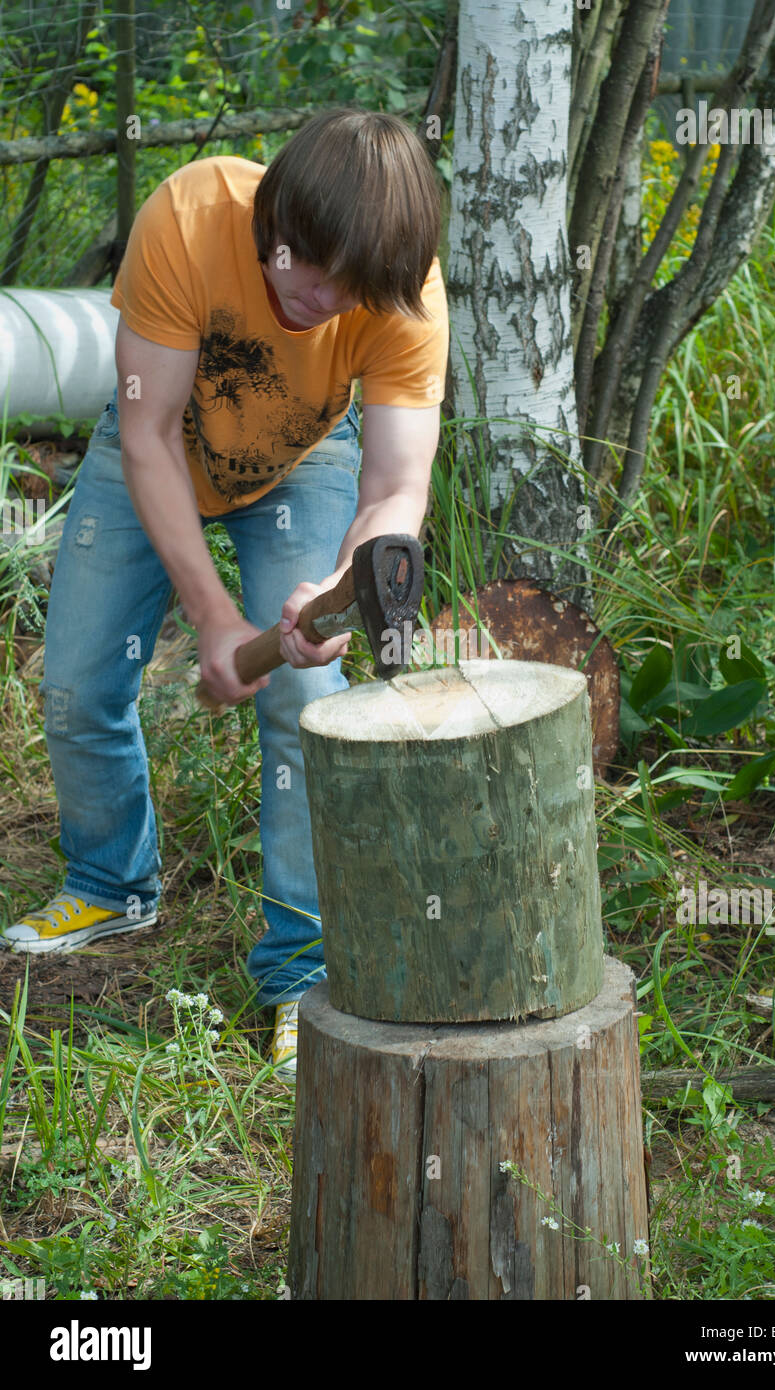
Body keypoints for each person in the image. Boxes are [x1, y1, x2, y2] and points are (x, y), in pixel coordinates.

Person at [1, 106, 449, 1080]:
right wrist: (212, 618)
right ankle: (111, 881)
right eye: (307, 268)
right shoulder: (192, 217)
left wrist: (341, 583)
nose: (323, 299)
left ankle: (299, 975)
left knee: (304, 702)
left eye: (349, 287)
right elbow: (150, 431)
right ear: (276, 220)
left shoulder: (400, 291)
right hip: (155, 444)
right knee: (78, 682)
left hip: (299, 456)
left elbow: (396, 487)